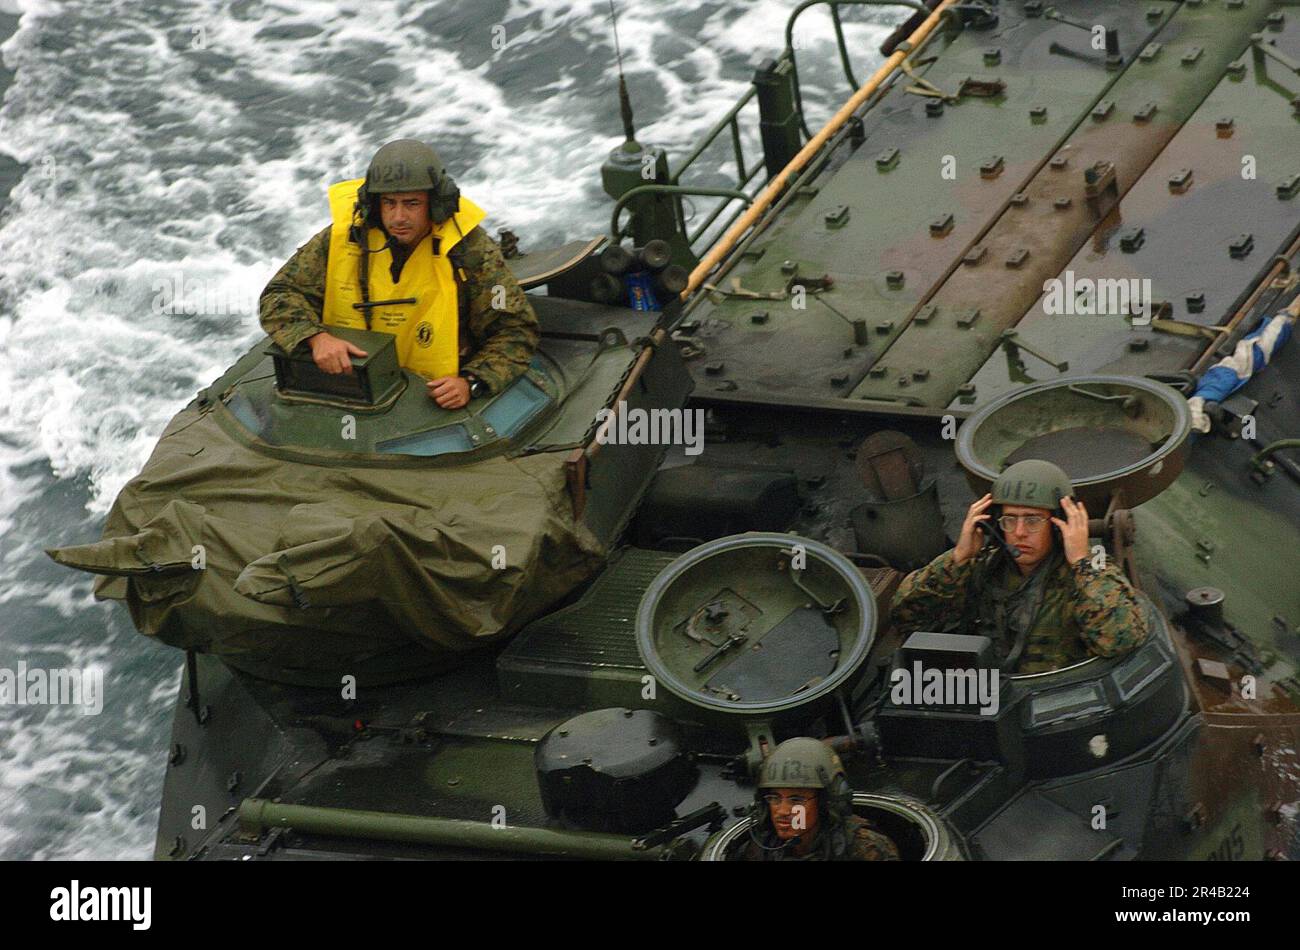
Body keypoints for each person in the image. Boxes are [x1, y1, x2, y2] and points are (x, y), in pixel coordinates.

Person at [259, 139, 539, 409]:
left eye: (412, 203)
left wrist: (472, 381)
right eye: (389, 203)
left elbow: (515, 330)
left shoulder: (471, 251)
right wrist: (316, 338)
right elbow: (278, 295)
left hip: (432, 398)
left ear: (436, 203)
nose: (398, 217)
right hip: (349, 391)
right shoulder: (341, 240)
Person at [890, 459, 1149, 674]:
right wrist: (957, 558)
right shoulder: (980, 569)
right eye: (1009, 520)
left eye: (1033, 520)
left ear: (1060, 523)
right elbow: (905, 615)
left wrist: (1082, 563)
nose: (1019, 532)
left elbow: (1122, 639)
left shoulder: (1089, 576)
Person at [735, 737, 900, 861]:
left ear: (825, 803)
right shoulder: (762, 850)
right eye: (775, 798)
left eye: (796, 800)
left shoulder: (865, 848)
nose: (783, 811)